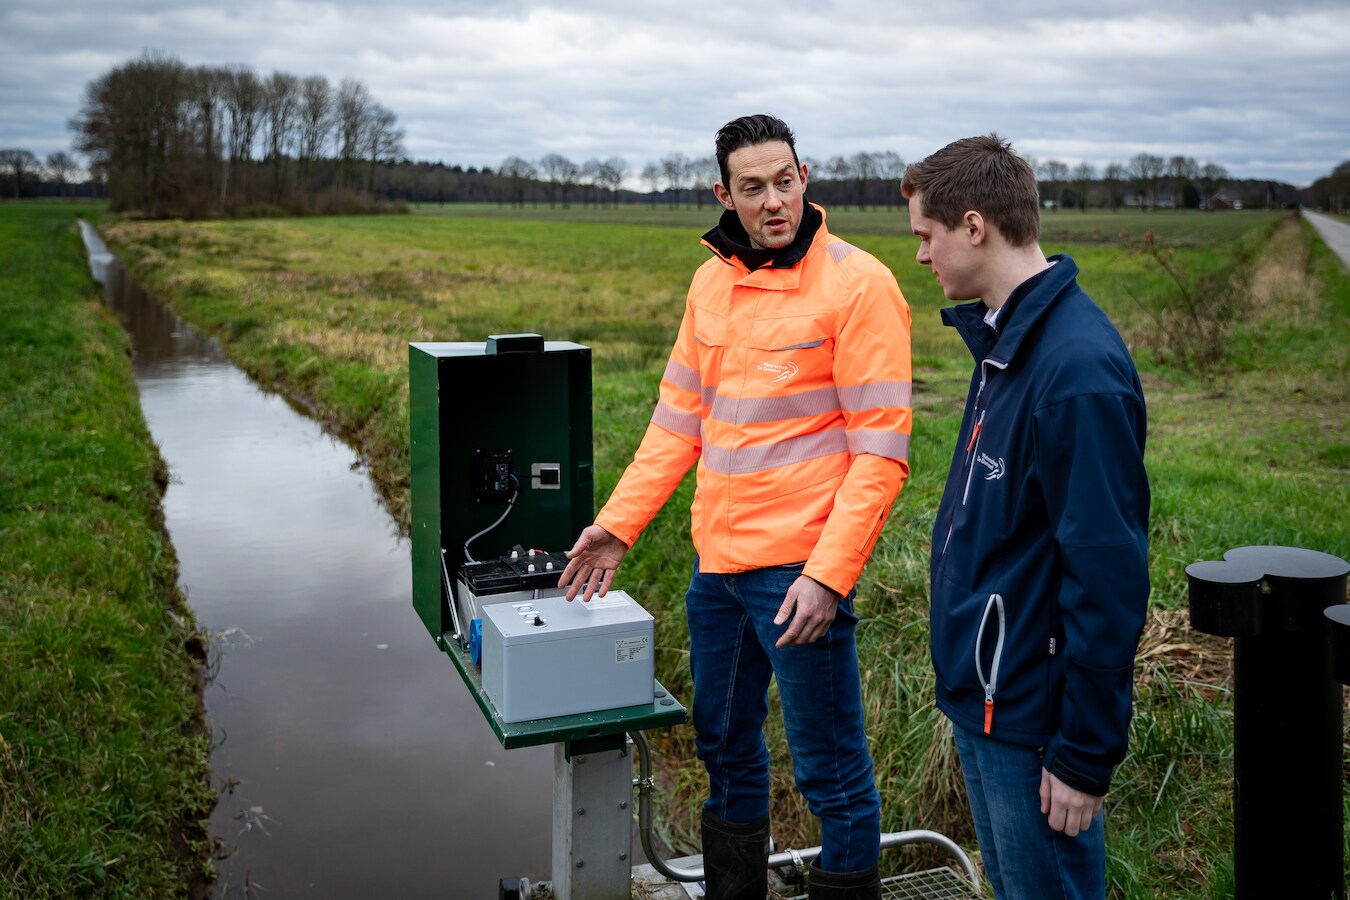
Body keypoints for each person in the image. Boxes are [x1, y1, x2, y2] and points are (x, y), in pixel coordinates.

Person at [558, 114, 913, 900]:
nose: (773, 201)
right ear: (725, 194)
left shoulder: (859, 284)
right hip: (716, 571)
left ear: (805, 177)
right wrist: (618, 526)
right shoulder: (710, 281)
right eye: (752, 188)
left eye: (785, 181)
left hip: (798, 575)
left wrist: (828, 577)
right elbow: (676, 424)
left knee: (830, 768)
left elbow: (881, 454)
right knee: (722, 742)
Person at [901, 135, 1150, 899]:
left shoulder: (1075, 371)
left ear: (974, 226)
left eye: (926, 235)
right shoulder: (1004, 340)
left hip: (1034, 722)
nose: (921, 257)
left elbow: (1107, 575)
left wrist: (1082, 753)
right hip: (986, 699)